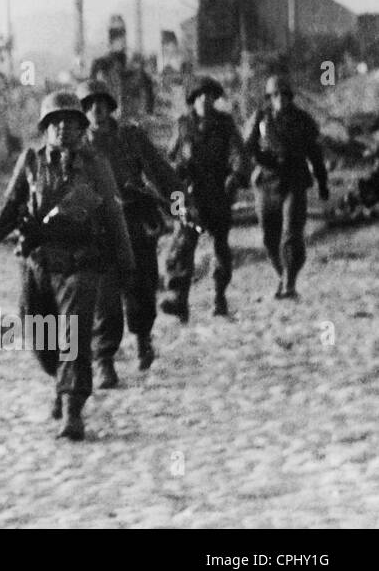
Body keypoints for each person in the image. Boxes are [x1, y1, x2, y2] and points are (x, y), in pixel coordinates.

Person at [0, 90, 134, 440]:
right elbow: (11, 202)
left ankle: (72, 409)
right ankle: (60, 382)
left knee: (74, 334)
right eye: (55, 122)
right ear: (45, 128)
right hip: (38, 264)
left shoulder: (96, 165)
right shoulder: (31, 162)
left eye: (71, 122)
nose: (63, 128)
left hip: (82, 262)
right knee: (41, 336)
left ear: (81, 128)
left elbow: (113, 213)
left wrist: (126, 261)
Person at [77, 79, 184, 381]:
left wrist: (179, 204)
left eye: (101, 104)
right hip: (99, 231)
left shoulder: (130, 138)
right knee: (105, 297)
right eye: (88, 105)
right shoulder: (77, 146)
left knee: (141, 289)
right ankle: (104, 358)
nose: (96, 110)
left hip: (135, 222)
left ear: (111, 107)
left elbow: (160, 171)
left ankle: (142, 339)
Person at [160, 75, 248, 321]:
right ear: (193, 100)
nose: (204, 101)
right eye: (199, 96)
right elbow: (172, 156)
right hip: (191, 196)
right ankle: (179, 299)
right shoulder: (183, 125)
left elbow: (238, 153)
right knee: (182, 246)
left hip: (218, 192)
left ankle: (219, 295)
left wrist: (236, 174)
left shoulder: (225, 124)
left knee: (220, 247)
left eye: (209, 96)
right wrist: (176, 173)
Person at [244, 75, 328, 299]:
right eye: (274, 95)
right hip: (266, 182)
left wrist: (322, 181)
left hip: (294, 180)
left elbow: (315, 154)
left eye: (283, 94)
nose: (279, 98)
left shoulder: (303, 120)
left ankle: (290, 281)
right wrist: (262, 161)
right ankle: (282, 275)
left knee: (292, 232)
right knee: (269, 238)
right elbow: (247, 148)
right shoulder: (260, 119)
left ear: (290, 96)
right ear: (269, 98)